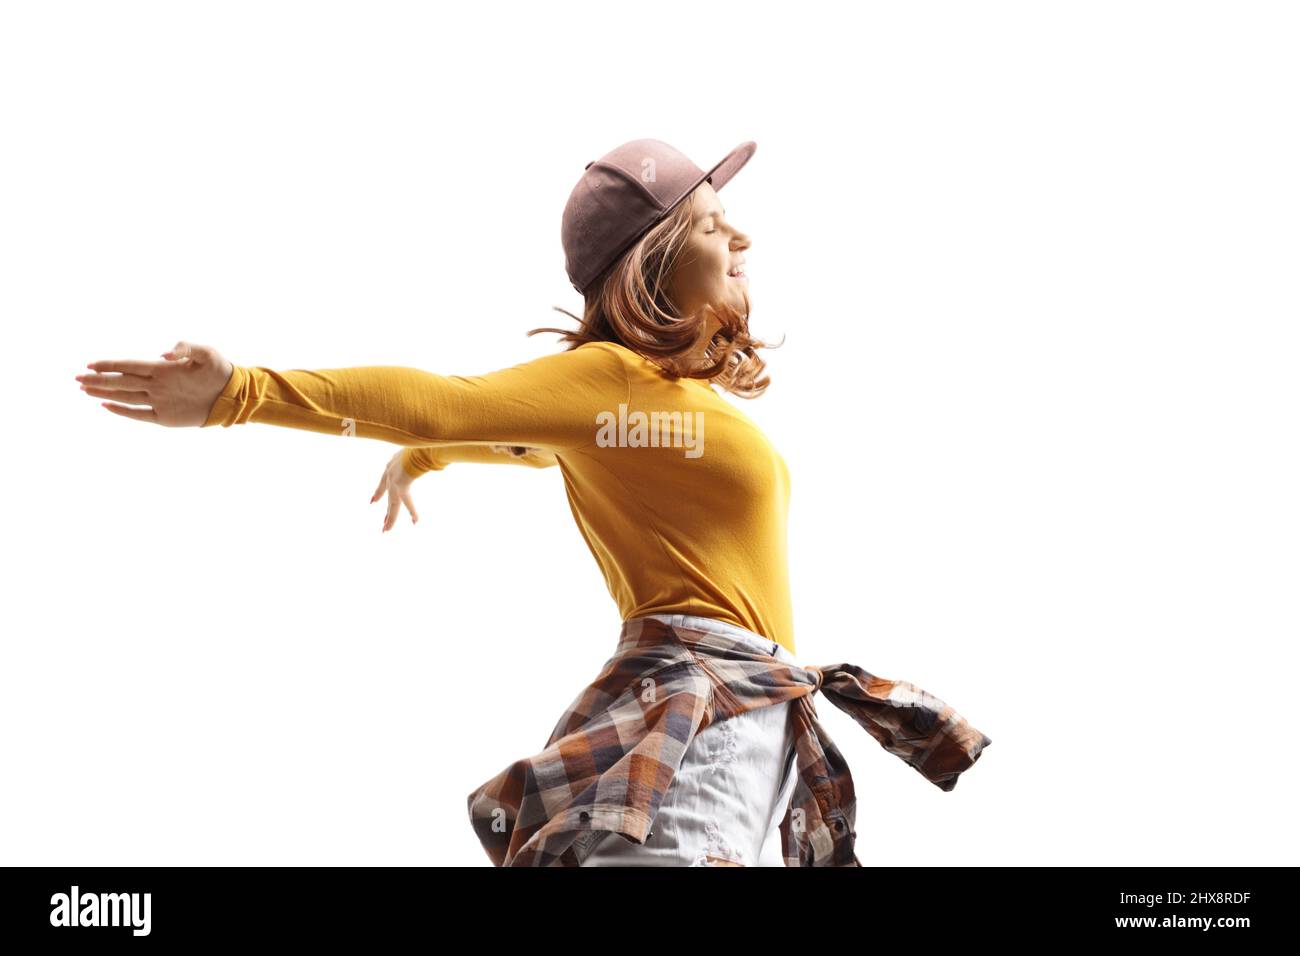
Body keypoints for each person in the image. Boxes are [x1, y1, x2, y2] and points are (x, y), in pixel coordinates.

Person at [74, 139, 990, 866]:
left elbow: (515, 441)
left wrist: (427, 460)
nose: (741, 241)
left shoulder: (656, 412)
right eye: (715, 225)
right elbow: (452, 398)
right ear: (655, 262)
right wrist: (245, 393)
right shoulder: (605, 382)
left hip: (735, 717)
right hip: (701, 713)